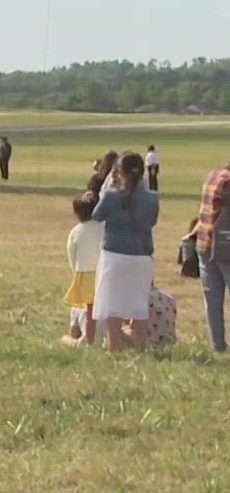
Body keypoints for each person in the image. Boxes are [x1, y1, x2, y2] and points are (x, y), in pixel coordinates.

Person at [92, 151, 158, 353]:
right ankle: (140, 347)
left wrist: (107, 191)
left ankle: (114, 346)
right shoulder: (151, 198)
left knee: (112, 303)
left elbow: (96, 215)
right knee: (138, 304)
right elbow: (152, 222)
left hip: (114, 253)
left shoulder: (112, 195)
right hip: (141, 255)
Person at [197, 157, 230, 355]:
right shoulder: (228, 183)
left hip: (204, 243)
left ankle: (218, 346)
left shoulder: (212, 177)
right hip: (225, 247)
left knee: (212, 300)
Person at [62, 194, 101, 346]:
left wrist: (75, 273)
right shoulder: (104, 226)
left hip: (85, 273)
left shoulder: (76, 231)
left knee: (91, 311)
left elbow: (71, 254)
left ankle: (90, 341)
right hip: (103, 271)